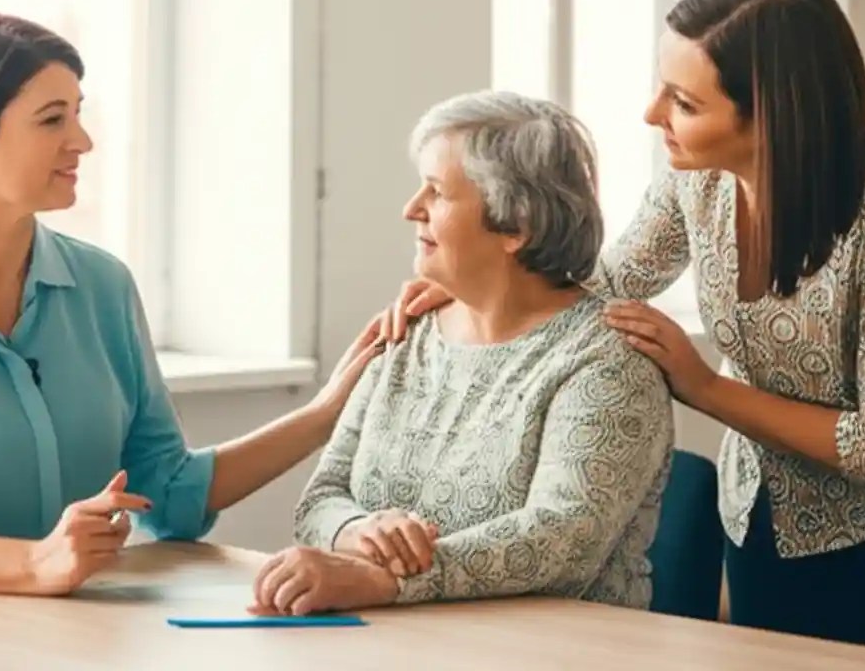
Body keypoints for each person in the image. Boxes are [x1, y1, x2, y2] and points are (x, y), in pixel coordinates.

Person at [384, 0, 865, 657]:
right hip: (760, 514)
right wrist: (479, 278)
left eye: (683, 101)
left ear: (770, 115)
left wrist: (707, 389)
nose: (652, 114)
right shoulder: (696, 174)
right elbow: (607, 280)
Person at [0, 12, 384, 596]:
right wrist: (34, 564)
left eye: (78, 114)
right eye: (53, 120)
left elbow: (168, 491)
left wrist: (327, 413)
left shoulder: (103, 287)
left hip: (83, 638)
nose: (83, 141)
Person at [250, 91, 675, 617]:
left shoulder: (608, 361)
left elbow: (561, 540)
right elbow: (322, 498)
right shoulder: (407, 335)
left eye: (437, 192)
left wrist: (385, 580)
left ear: (515, 226)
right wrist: (362, 534)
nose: (411, 209)